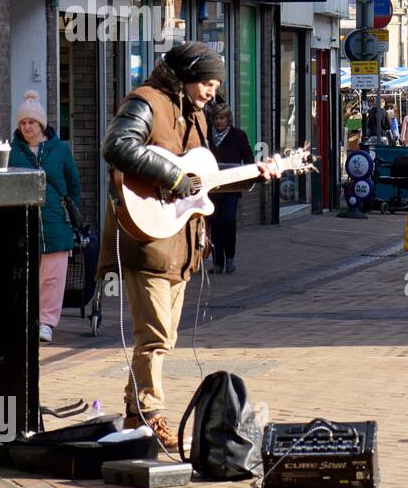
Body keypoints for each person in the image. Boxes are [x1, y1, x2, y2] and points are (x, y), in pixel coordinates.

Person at [98, 43, 279, 447]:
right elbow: (117, 146)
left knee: (164, 336)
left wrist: (254, 175)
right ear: (187, 76)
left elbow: (200, 177)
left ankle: (135, 415)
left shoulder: (195, 114)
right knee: (156, 335)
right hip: (147, 238)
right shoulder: (146, 101)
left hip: (180, 240)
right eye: (208, 83)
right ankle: (152, 411)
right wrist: (173, 179)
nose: (213, 93)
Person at [10, 91, 81, 344]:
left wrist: (71, 214)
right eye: (22, 123)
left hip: (55, 223)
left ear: (41, 124)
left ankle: (47, 323)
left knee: (52, 278)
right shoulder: (12, 152)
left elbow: (73, 185)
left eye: (31, 122)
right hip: (23, 223)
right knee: (26, 276)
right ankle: (27, 320)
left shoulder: (60, 149)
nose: (27, 127)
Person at [207, 105, 255, 274]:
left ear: (228, 119)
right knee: (214, 222)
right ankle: (217, 262)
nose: (219, 121)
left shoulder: (238, 136)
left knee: (228, 220)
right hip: (211, 188)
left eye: (222, 118)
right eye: (216, 118)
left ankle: (230, 258)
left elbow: (248, 158)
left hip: (231, 187)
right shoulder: (206, 137)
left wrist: (247, 175)